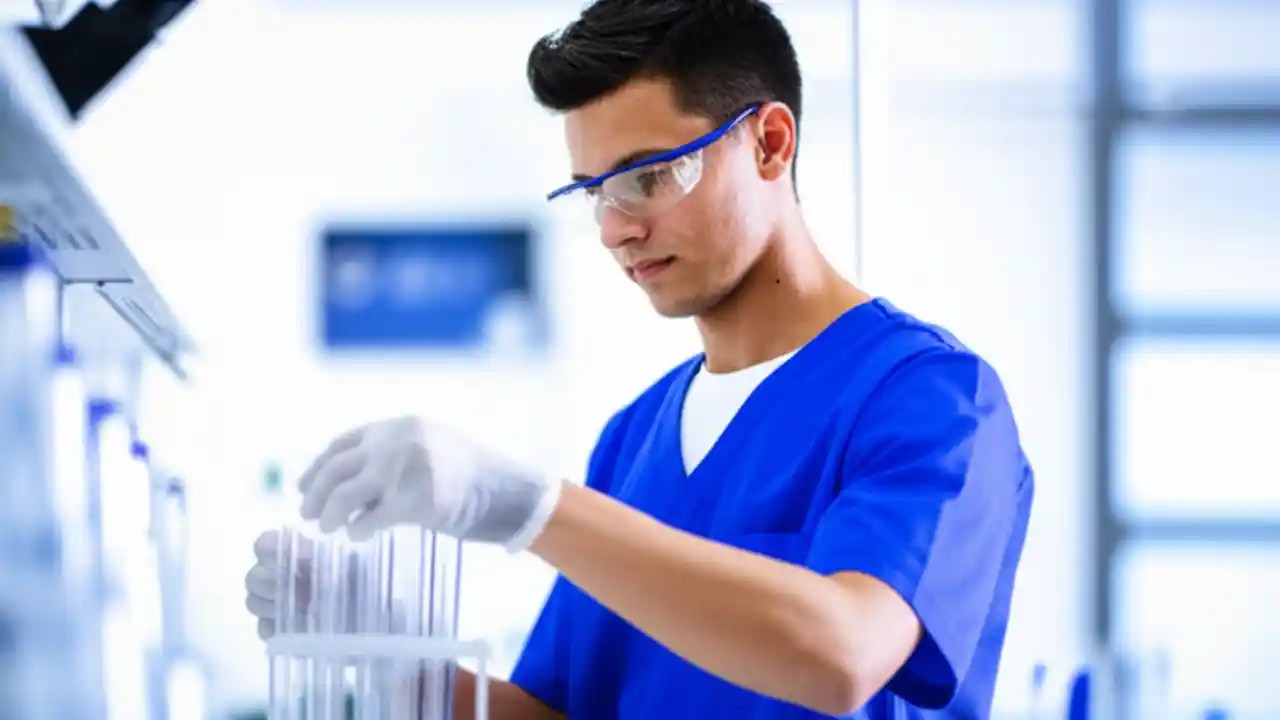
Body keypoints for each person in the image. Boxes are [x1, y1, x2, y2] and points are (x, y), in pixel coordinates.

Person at [244, 1, 1035, 717]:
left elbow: (841, 656)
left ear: (770, 142)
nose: (615, 229)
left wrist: (529, 507)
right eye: (594, 191)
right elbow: (560, 714)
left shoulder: (928, 399)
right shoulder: (635, 437)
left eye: (649, 176)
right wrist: (391, 661)